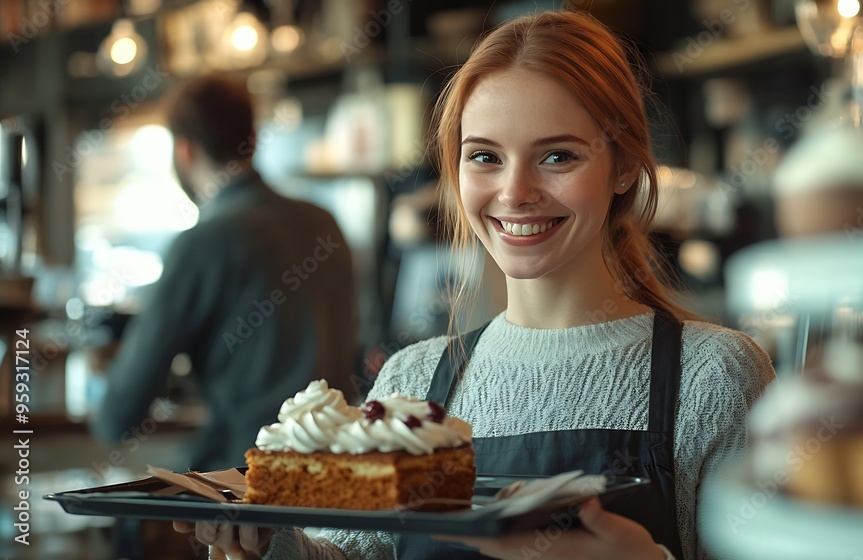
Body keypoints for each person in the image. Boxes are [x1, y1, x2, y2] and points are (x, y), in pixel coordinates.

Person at [176, 11, 775, 560]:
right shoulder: (411, 382)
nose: (514, 193)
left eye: (558, 156)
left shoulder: (713, 377)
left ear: (621, 167)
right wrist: (268, 544)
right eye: (485, 157)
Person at [90, 75, 358, 472]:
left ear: (184, 151)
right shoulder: (325, 224)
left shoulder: (203, 243)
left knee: (132, 523)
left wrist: (101, 369)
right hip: (340, 474)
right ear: (252, 137)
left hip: (245, 485)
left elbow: (120, 414)